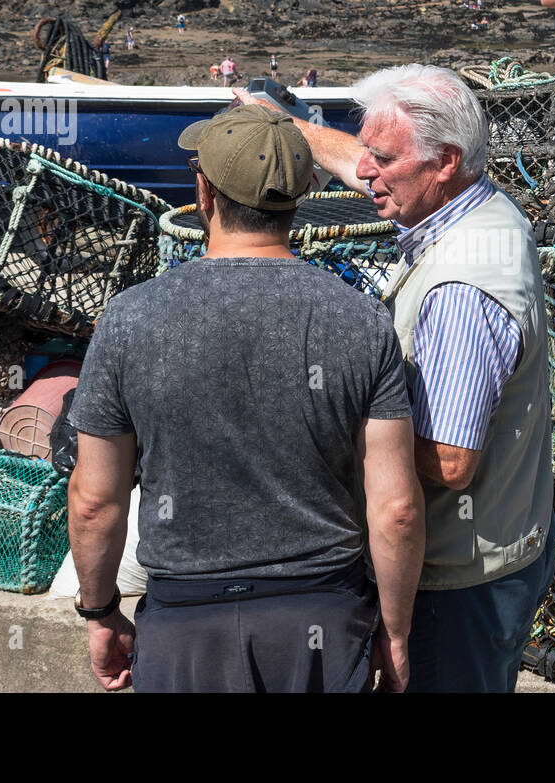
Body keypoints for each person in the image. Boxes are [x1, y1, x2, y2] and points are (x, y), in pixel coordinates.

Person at [67, 105, 425, 693]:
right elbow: (396, 511)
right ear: (305, 194)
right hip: (322, 621)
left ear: (203, 190)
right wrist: (395, 630)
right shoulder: (360, 319)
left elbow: (93, 502)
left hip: (186, 623)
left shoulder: (131, 318)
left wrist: (100, 612)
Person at [257, 65, 555, 693]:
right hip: (507, 539)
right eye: (366, 151)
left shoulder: (459, 291)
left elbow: (450, 462)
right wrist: (289, 128)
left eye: (383, 159)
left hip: (458, 579)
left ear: (444, 162)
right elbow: (361, 163)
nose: (365, 172)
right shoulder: (478, 203)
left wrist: (327, 430)